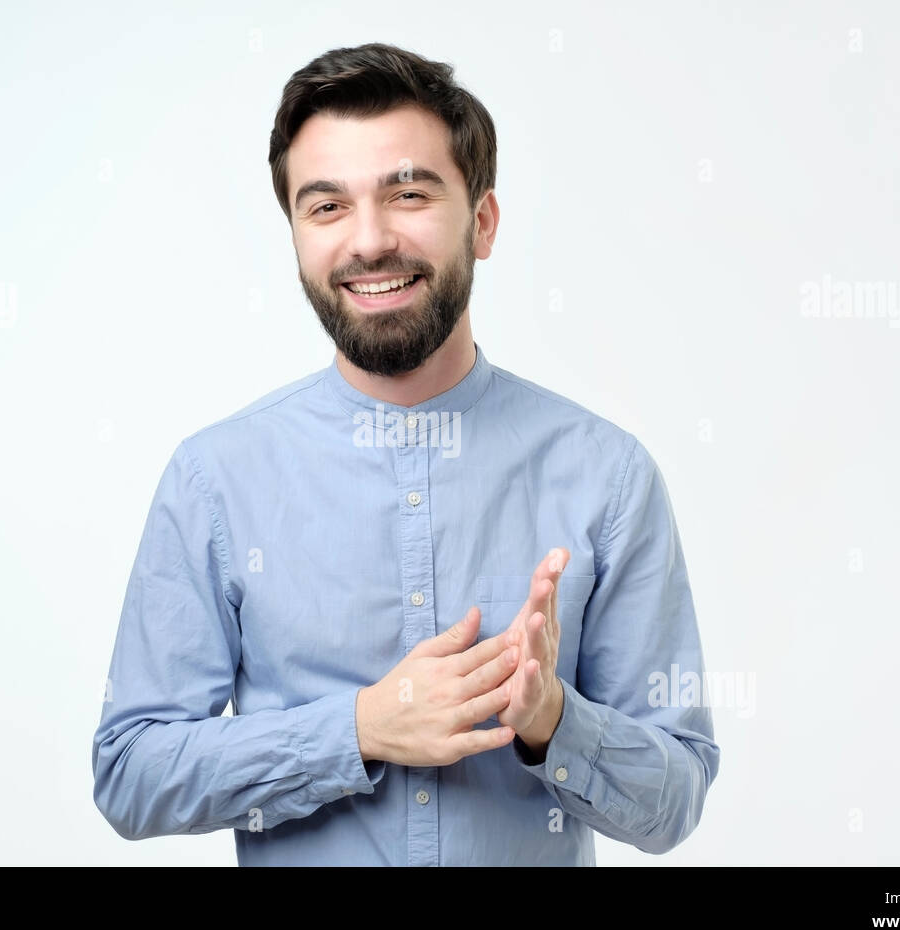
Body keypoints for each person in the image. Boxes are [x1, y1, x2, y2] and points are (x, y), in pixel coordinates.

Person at [91, 41, 719, 866]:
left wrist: (554, 721)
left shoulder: (608, 476)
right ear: (295, 235)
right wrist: (357, 731)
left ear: (482, 221)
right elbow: (130, 773)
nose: (370, 241)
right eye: (327, 208)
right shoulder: (215, 481)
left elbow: (675, 802)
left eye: (409, 194)